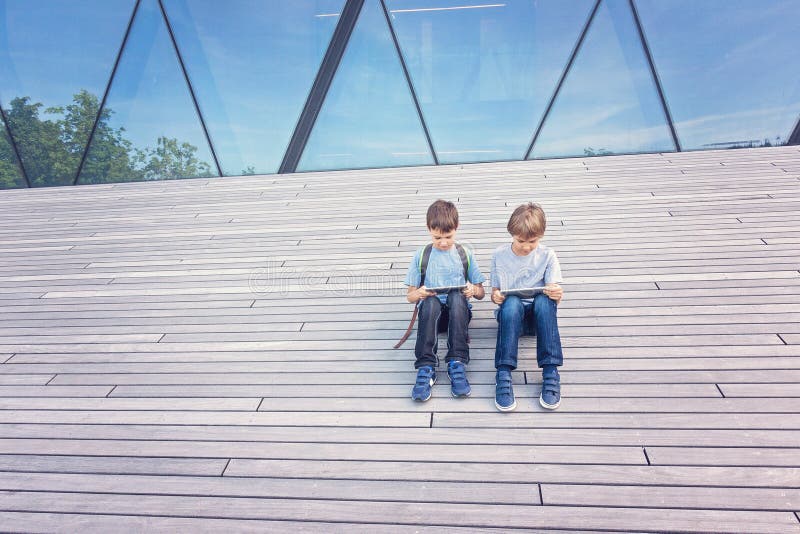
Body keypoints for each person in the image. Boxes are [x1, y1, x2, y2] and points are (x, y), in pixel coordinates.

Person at [405, 199, 485, 402]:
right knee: (430, 302)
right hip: (432, 316)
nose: (442, 242)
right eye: (437, 237)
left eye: (448, 237)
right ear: (428, 229)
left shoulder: (464, 253)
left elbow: (481, 293)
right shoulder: (422, 255)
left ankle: (456, 361)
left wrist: (472, 290)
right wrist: (420, 293)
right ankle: (426, 366)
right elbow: (410, 297)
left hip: (457, 313)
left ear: (457, 228)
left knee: (457, 296)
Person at [490, 202, 564, 412]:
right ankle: (503, 372)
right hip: (511, 318)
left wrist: (557, 294)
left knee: (544, 299)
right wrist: (495, 297)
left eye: (532, 241)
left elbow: (553, 295)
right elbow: (495, 292)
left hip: (539, 321)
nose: (525, 246)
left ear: (541, 235)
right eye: (520, 240)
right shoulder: (498, 255)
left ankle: (550, 370)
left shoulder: (548, 255)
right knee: (511, 302)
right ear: (511, 234)